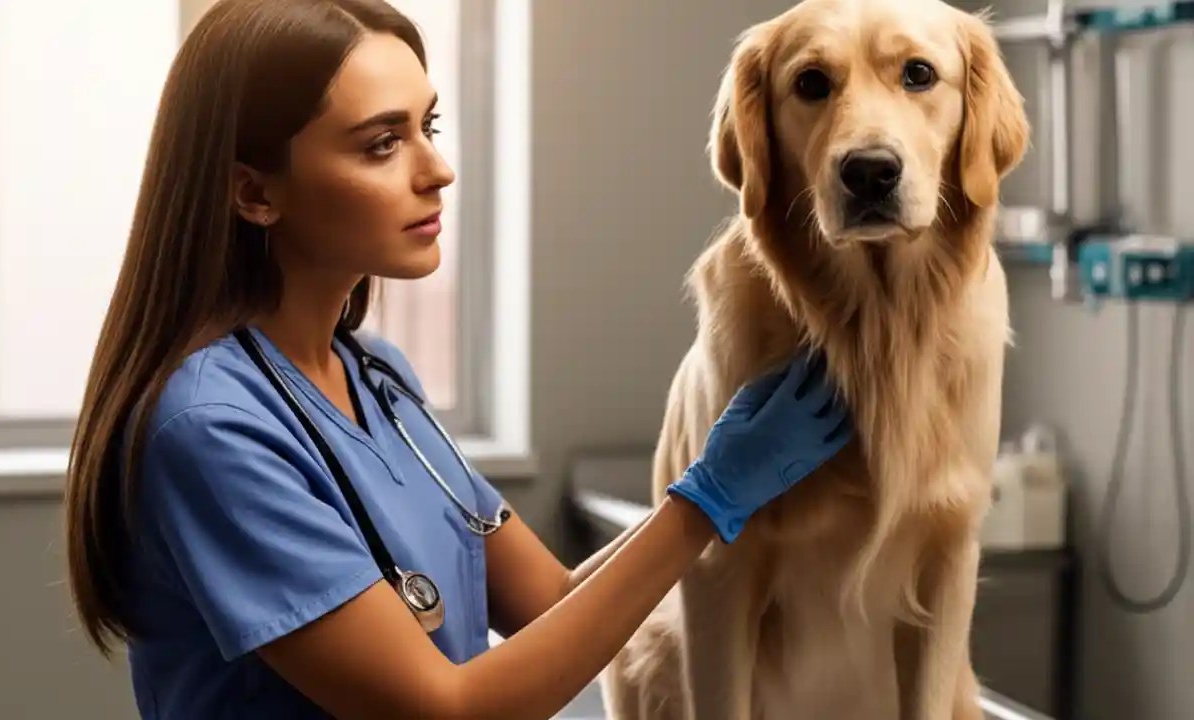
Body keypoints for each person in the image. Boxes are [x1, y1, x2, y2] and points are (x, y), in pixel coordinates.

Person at [62, 1, 852, 718]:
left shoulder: (376, 377)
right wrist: (706, 503)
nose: (436, 171)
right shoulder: (211, 430)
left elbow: (551, 601)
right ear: (254, 193)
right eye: (381, 144)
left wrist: (715, 487)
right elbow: (447, 711)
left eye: (426, 129)